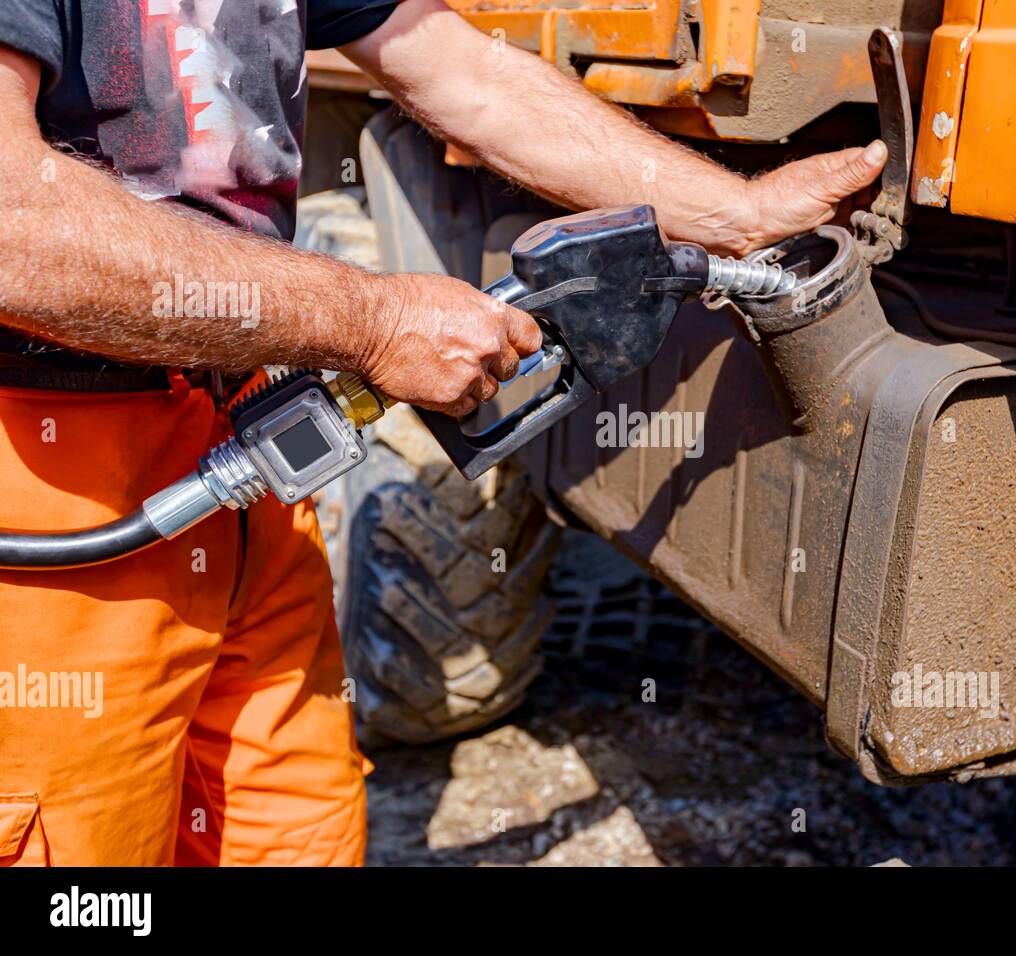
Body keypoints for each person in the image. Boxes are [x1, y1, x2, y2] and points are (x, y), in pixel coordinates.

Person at [0, 0, 886, 865]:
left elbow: (467, 76)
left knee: (292, 825)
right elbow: (13, 227)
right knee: (79, 840)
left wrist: (742, 214)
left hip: (239, 425)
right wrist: (374, 324)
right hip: (50, 454)